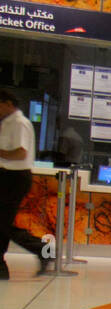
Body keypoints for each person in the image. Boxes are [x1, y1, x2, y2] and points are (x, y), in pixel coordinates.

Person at [0, 90, 55, 280]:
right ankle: (41, 249)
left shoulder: (19, 123)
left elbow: (21, 153)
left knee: (3, 222)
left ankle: (40, 249)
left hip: (14, 178)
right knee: (3, 222)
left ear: (8, 103)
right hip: (6, 176)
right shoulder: (7, 124)